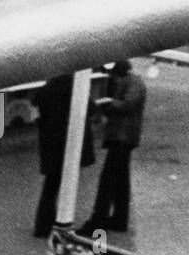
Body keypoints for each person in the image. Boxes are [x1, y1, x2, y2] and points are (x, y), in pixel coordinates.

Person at [81, 60, 147, 235]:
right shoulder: (132, 81)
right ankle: (119, 218)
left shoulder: (132, 82)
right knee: (120, 179)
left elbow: (128, 104)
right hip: (124, 137)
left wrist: (108, 103)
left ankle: (97, 221)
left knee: (108, 179)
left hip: (121, 136)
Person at [33, 72, 95, 238]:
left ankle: (43, 225)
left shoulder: (48, 88)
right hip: (70, 143)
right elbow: (91, 108)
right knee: (65, 184)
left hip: (51, 144)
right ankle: (60, 222)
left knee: (50, 186)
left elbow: (37, 102)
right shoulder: (76, 88)